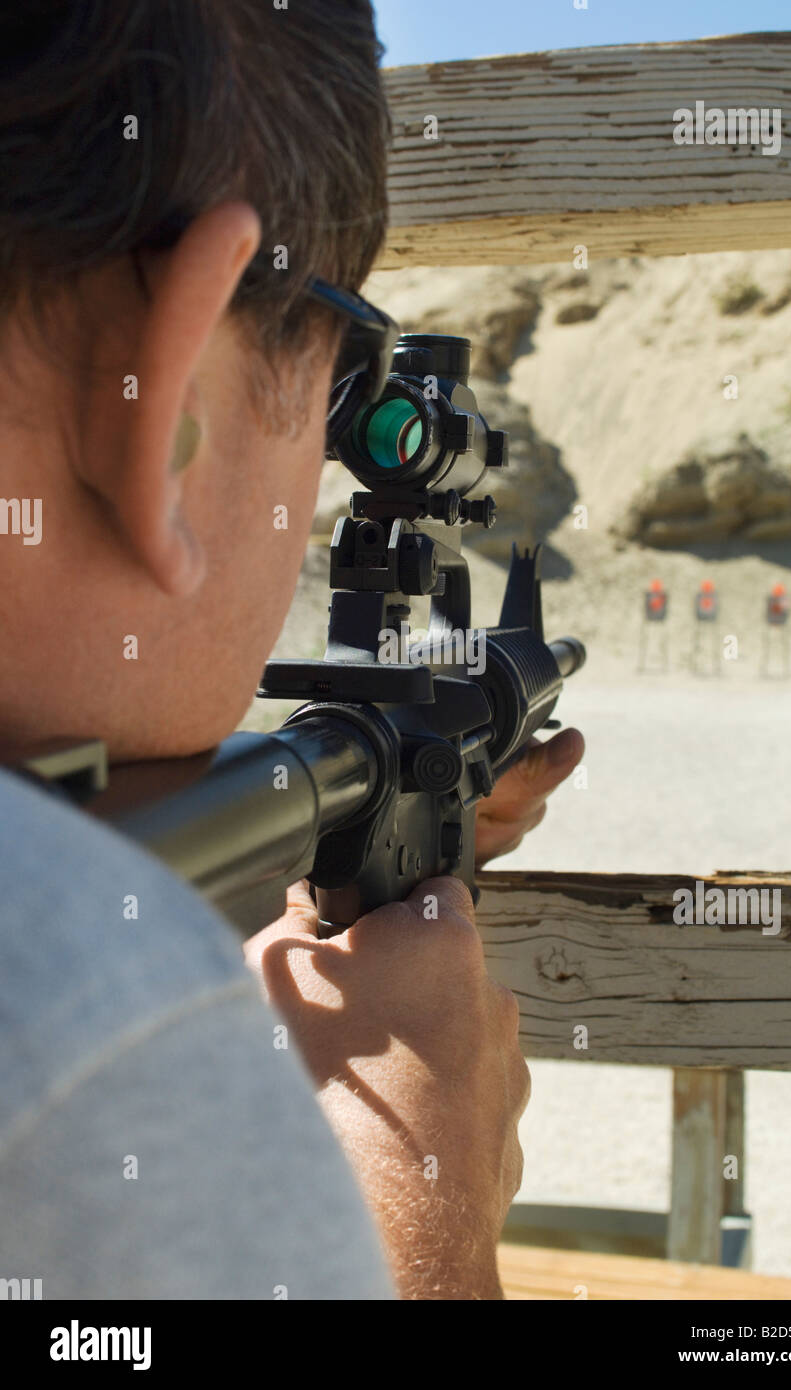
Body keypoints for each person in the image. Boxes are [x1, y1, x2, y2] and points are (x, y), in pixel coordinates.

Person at [0, 1, 583, 1300]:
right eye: (331, 393)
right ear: (159, 404)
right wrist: (430, 1200)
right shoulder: (96, 1032)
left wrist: (404, 833)